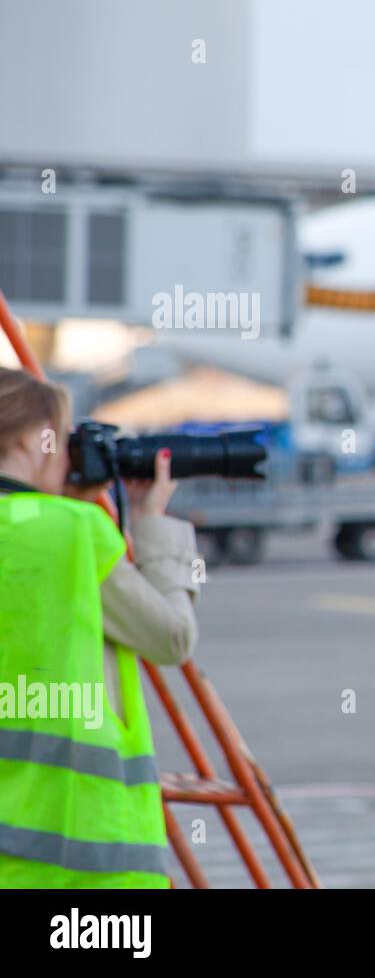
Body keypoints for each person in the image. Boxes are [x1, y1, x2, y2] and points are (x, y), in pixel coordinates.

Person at [0, 367, 200, 887]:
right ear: (27, 438)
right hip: (82, 862)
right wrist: (150, 518)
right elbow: (171, 637)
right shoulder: (74, 532)